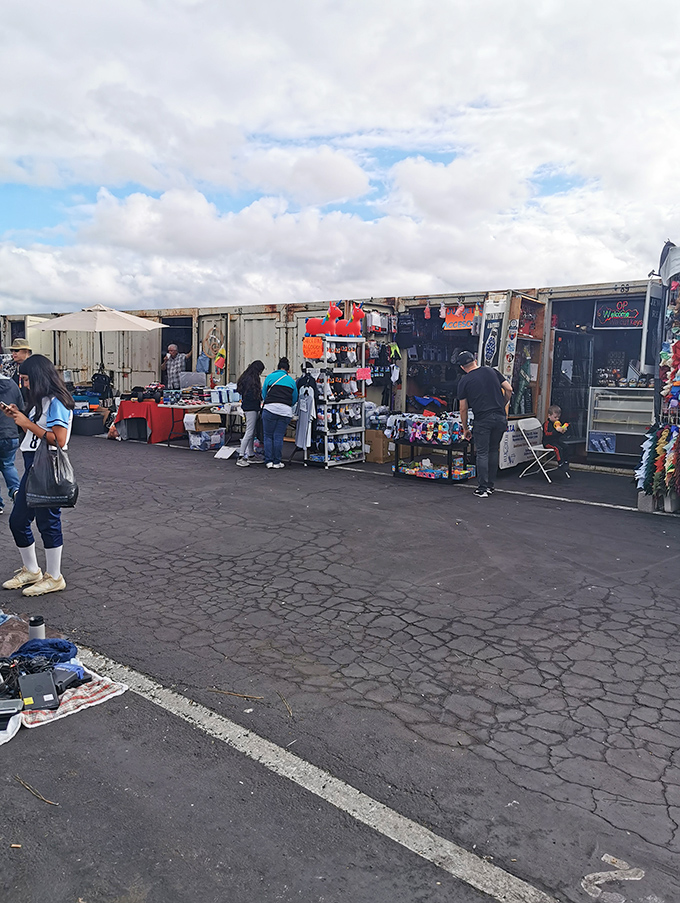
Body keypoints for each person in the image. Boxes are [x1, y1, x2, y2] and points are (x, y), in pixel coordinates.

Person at [1, 354, 74, 596]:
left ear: (39, 377)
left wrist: (26, 422)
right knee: (18, 520)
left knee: (48, 521)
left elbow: (59, 439)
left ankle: (54, 576)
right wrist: (18, 418)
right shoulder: (42, 401)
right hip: (34, 464)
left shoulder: (57, 402)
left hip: (48, 466)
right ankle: (32, 570)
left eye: (27, 379)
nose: (24, 384)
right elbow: (36, 434)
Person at [457, 351, 512, 498]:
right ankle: (490, 485)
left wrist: (465, 428)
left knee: (482, 452)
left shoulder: (464, 381)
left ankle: (482, 488)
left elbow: (463, 408)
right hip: (500, 417)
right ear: (475, 360)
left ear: (462, 367)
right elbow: (509, 389)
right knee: (493, 450)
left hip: (483, 419)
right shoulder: (491, 371)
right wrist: (502, 404)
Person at [261, 357, 298, 469]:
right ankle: (277, 462)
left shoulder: (270, 377)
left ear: (277, 368)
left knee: (268, 436)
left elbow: (264, 394)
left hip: (270, 409)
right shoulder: (291, 381)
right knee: (278, 436)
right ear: (288, 369)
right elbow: (294, 398)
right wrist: (286, 405)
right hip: (285, 412)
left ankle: (269, 461)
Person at [0, 358, 24, 515]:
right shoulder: (13, 385)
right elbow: (21, 407)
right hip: (10, 434)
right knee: (8, 465)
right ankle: (16, 491)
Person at [236, 360, 265, 466]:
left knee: (251, 432)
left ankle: (251, 454)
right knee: (249, 432)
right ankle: (241, 456)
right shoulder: (254, 379)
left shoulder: (245, 377)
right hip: (252, 408)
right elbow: (255, 394)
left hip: (246, 407)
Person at [543, 405, 570, 474]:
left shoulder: (557, 423)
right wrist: (556, 432)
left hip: (556, 440)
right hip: (548, 442)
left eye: (558, 417)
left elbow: (559, 435)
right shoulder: (547, 424)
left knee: (566, 447)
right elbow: (546, 433)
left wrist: (562, 431)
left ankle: (566, 461)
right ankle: (560, 463)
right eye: (555, 417)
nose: (557, 419)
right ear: (549, 416)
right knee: (558, 449)